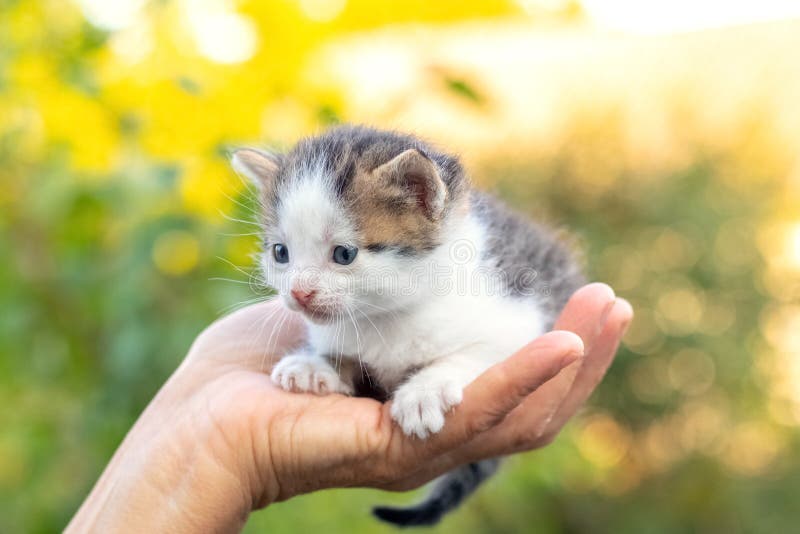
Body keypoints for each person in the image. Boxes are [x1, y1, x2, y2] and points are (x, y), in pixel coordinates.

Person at [66, 283, 631, 532]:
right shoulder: (333, 309)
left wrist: (445, 374)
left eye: (341, 255)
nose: (298, 289)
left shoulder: (458, 291)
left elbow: (509, 334)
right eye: (281, 254)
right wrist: (215, 433)